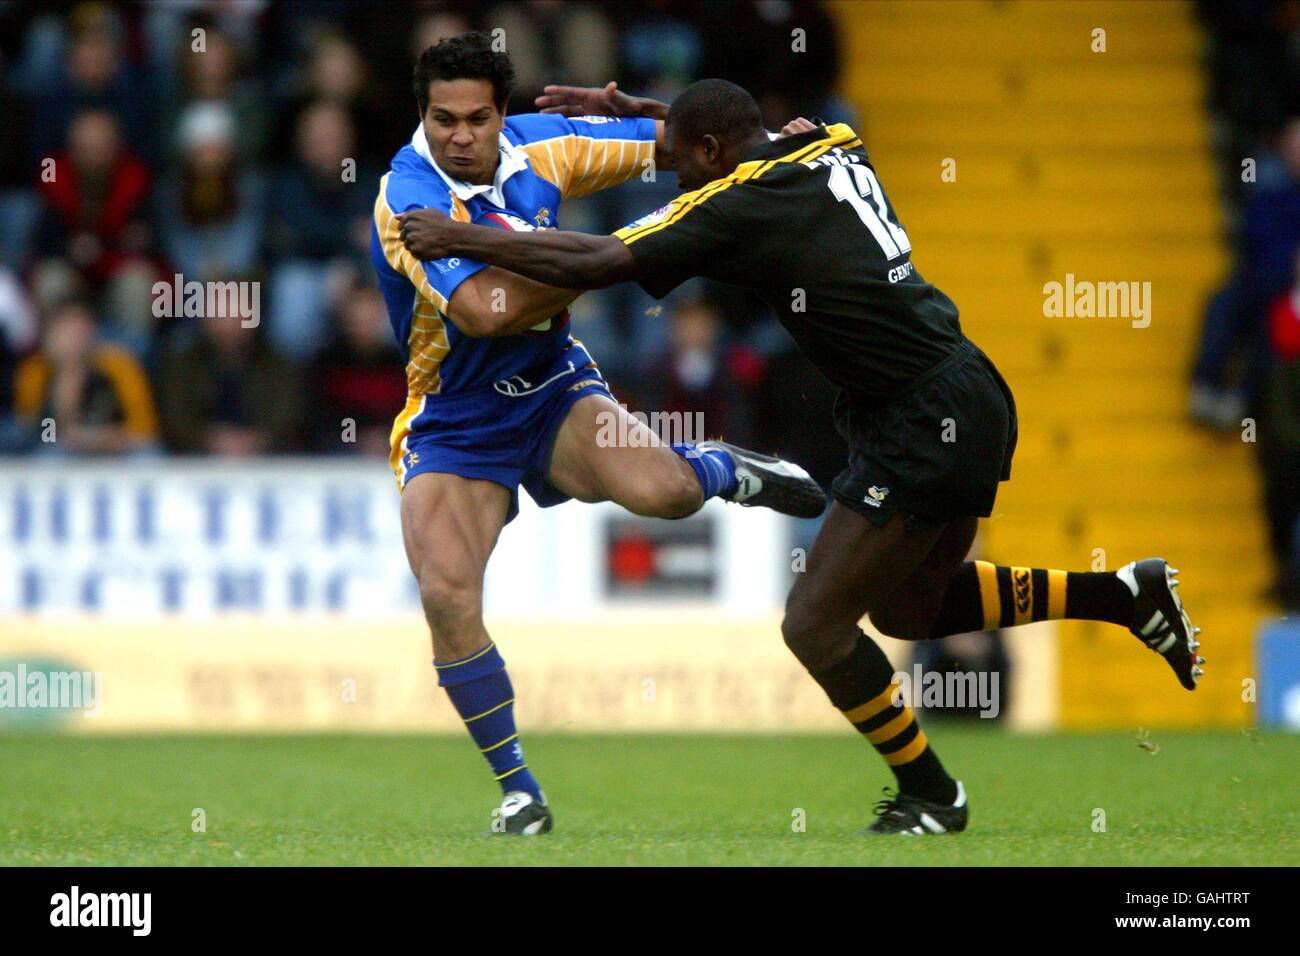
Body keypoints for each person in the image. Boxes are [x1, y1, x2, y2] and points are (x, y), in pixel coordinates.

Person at [398, 77, 1206, 836]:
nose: (676, 178)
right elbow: (727, 123)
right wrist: (641, 109)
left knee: (814, 626)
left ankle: (932, 794)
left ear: (710, 156)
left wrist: (460, 236)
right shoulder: (827, 139)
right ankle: (1122, 595)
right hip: (964, 390)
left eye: (679, 162)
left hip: (921, 418)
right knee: (910, 611)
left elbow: (600, 262)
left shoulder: (736, 203)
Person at [373, 36, 824, 836]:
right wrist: (619, 260)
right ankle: (519, 791)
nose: (461, 136)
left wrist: (760, 149)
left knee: (668, 495)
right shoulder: (403, 197)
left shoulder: (546, 146)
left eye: (478, 118)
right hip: (454, 415)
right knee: (446, 591)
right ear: (423, 115)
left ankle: (727, 468)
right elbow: (485, 311)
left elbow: (687, 143)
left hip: (551, 386)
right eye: (443, 119)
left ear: (501, 115)